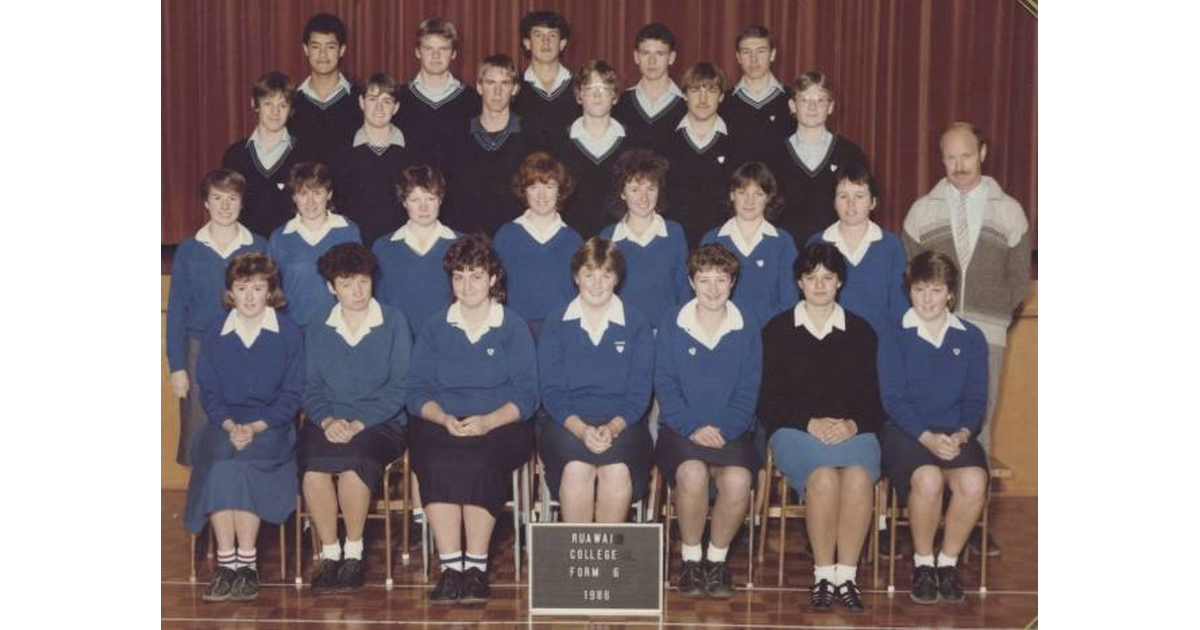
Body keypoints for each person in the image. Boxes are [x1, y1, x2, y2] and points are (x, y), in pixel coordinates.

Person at [901, 122, 1031, 557]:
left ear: (983, 152)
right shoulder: (922, 210)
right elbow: (910, 270)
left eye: (966, 156)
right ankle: (924, 520)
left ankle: (972, 527)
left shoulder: (1010, 210)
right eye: (950, 157)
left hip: (987, 332)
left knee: (979, 426)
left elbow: (1018, 276)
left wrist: (996, 315)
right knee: (925, 420)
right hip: (930, 330)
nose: (958, 166)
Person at [407, 234, 538, 605]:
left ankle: (477, 569)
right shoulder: (435, 327)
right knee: (435, 458)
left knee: (480, 459)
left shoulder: (512, 326)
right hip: (443, 420)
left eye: (476, 276)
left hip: (500, 424)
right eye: (459, 276)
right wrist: (444, 418)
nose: (467, 285)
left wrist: (488, 421)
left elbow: (527, 395)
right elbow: (416, 391)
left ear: (493, 278)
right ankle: (451, 568)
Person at [758, 242, 883, 613]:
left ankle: (847, 577)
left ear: (840, 282)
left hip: (853, 431)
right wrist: (807, 422)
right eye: (811, 277)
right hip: (795, 430)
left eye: (828, 278)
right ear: (799, 281)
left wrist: (852, 423)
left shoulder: (861, 332)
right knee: (824, 477)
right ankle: (822, 576)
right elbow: (768, 400)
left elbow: (874, 399)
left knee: (859, 476)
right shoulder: (778, 330)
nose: (819, 285)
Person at [184, 252, 303, 603]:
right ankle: (226, 565)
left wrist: (254, 426)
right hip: (224, 425)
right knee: (222, 463)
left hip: (272, 426)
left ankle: (246, 564)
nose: (250, 296)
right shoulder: (215, 331)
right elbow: (209, 390)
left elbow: (292, 394)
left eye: (257, 287)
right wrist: (231, 424)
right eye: (241, 288)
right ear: (230, 293)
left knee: (243, 464)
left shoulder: (288, 332)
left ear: (270, 291)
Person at [878, 251, 989, 605]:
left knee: (973, 481)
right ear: (909, 291)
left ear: (950, 294)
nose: (927, 299)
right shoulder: (894, 333)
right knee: (927, 478)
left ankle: (947, 564)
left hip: (954, 432)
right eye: (920, 289)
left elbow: (975, 400)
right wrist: (926, 438)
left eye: (936, 290)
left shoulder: (971, 337)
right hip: (906, 431)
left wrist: (962, 434)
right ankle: (923, 563)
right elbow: (892, 399)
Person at [300, 243, 411, 594]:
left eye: (363, 281)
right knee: (314, 470)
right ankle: (329, 554)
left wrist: (361, 422)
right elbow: (310, 386)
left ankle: (354, 552)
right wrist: (327, 420)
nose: (357, 291)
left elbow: (401, 387)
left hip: (382, 422)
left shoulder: (393, 320)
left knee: (353, 466)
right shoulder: (318, 325)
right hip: (329, 419)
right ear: (332, 287)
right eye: (346, 284)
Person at [654, 244, 762, 599]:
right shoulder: (672, 321)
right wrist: (692, 427)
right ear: (691, 281)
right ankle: (691, 560)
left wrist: (726, 430)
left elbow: (749, 389)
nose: (713, 289)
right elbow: (666, 386)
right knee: (692, 472)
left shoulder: (747, 326)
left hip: (732, 430)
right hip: (681, 429)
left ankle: (716, 561)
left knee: (738, 478)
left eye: (721, 279)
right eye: (704, 280)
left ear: (733, 282)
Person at [537, 238, 654, 522]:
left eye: (606, 274)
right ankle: (578, 562)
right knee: (577, 468)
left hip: (624, 423)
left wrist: (613, 428)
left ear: (617, 278)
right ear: (576, 277)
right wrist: (580, 429)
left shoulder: (636, 323)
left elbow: (640, 392)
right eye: (589, 274)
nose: (597, 284)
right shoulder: (556, 322)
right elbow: (551, 391)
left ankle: (606, 563)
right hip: (567, 422)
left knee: (615, 471)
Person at [168, 170, 267, 467]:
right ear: (206, 204)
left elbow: (271, 306)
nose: (225, 206)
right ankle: (203, 510)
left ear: (242, 203)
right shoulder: (189, 250)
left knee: (243, 431)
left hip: (247, 348)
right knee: (200, 433)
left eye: (232, 199)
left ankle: (240, 506)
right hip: (199, 350)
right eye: (218, 198)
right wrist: (177, 367)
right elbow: (176, 312)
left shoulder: (259, 245)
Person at [766, 71, 869, 248]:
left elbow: (862, 209)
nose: (812, 108)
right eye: (805, 100)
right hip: (787, 255)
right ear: (792, 105)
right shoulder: (773, 155)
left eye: (820, 100)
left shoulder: (851, 153)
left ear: (830, 106)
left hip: (836, 254)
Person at [806, 163, 908, 336]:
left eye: (859, 196)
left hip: (880, 345)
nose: (851, 204)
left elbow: (900, 308)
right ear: (834, 202)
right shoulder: (817, 243)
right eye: (843, 196)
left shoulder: (891, 246)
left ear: (873, 202)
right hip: (828, 344)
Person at [442, 54, 534, 236]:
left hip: (516, 238)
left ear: (515, 89)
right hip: (467, 241)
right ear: (479, 86)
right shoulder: (455, 136)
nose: (497, 91)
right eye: (491, 83)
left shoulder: (532, 136)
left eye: (505, 83)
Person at [493, 151, 583, 334]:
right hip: (515, 331)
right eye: (534, 187)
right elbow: (493, 291)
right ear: (524, 191)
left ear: (560, 191)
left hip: (562, 332)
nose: (542, 195)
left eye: (549, 186)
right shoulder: (506, 236)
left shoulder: (574, 240)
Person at [599, 148, 689, 330]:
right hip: (622, 335)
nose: (644, 198)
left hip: (666, 334)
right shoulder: (608, 237)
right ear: (622, 193)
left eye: (651, 189)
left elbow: (684, 289)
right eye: (634, 189)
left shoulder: (674, 233)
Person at [700, 162, 799, 327]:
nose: (749, 201)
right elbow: (701, 297)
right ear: (732, 195)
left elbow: (789, 302)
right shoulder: (712, 239)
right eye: (742, 192)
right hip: (723, 334)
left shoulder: (783, 242)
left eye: (758, 194)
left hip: (771, 334)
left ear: (768, 198)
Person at [330, 72, 423, 245]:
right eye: (373, 99)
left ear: (395, 108)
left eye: (387, 101)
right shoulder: (341, 154)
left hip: (401, 247)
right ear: (361, 102)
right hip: (354, 248)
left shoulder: (414, 155)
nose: (379, 107)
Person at [267, 162, 362, 329]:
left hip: (339, 329)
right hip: (293, 328)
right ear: (294, 197)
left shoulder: (348, 231)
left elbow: (359, 285)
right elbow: (271, 291)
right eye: (303, 194)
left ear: (329, 194)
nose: (310, 201)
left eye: (317, 193)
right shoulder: (280, 237)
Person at [373, 164, 460, 338]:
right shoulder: (383, 247)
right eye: (415, 200)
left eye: (430, 198)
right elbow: (378, 305)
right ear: (404, 202)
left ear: (440, 199)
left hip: (450, 340)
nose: (423, 208)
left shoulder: (462, 244)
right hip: (399, 341)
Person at [664, 62, 744, 248]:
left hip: (725, 246)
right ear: (684, 94)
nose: (703, 98)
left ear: (722, 96)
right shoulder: (666, 142)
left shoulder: (739, 144)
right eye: (695, 90)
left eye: (711, 90)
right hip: (677, 244)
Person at [222, 71, 307, 238]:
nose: (275, 112)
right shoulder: (235, 155)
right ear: (254, 104)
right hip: (247, 248)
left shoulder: (305, 153)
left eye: (282, 105)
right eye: (268, 103)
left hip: (290, 248)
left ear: (291, 110)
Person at [555, 60, 631, 239]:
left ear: (615, 96)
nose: (597, 95)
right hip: (572, 239)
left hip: (620, 238)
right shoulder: (560, 142)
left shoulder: (632, 142)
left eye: (604, 88)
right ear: (579, 96)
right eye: (589, 88)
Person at [394, 18, 482, 159]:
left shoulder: (472, 101)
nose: (436, 56)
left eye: (443, 49)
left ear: (453, 53)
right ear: (417, 52)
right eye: (428, 48)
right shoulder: (399, 98)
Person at [289, 13, 363, 165]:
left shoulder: (360, 100)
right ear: (305, 49)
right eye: (316, 47)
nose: (323, 54)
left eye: (330, 47)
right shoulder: (290, 102)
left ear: (342, 50)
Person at [719, 26, 793, 162]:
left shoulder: (793, 100)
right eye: (746, 52)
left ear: (772, 54)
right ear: (738, 57)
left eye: (761, 51)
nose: (754, 59)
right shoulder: (723, 102)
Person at [612, 23, 687, 153]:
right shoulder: (619, 103)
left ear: (671, 58)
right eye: (645, 53)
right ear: (636, 56)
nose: (652, 61)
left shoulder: (687, 105)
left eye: (660, 53)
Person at [513, 10, 580, 149]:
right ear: (527, 43)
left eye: (552, 35)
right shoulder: (512, 89)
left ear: (562, 43)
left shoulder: (581, 87)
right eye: (538, 35)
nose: (546, 41)